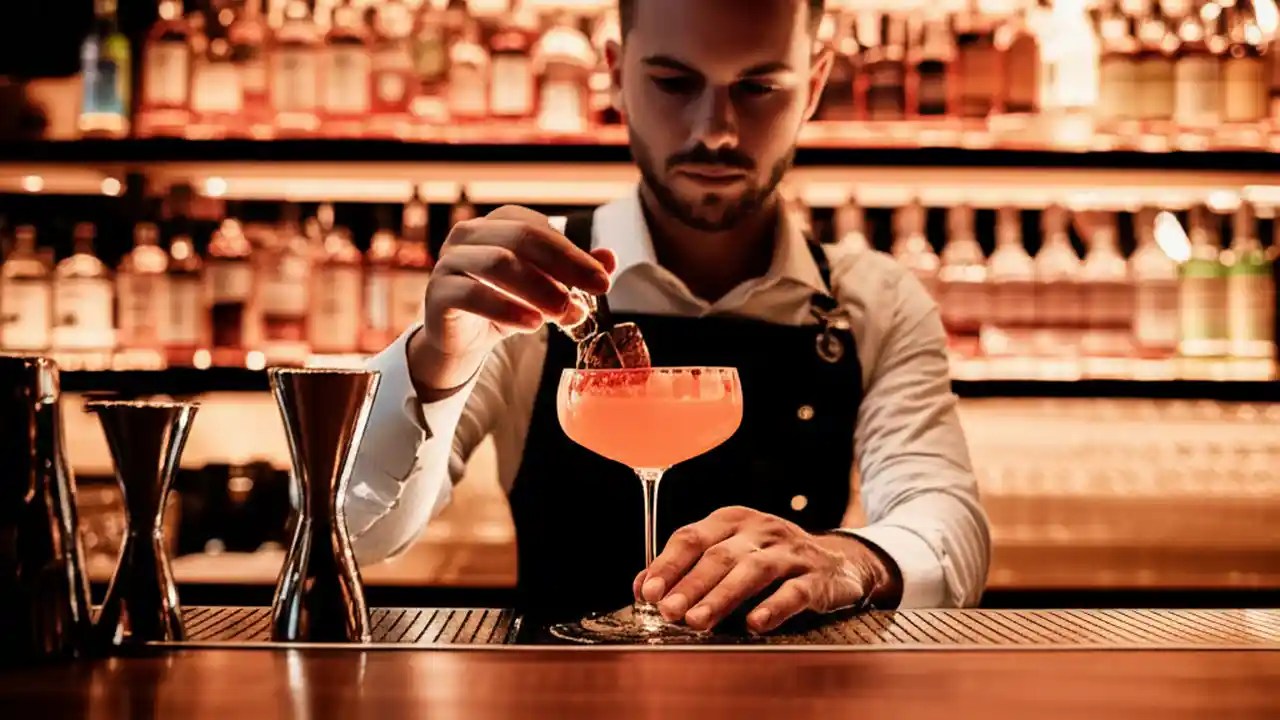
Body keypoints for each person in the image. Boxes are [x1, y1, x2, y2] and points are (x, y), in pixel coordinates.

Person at [346, 0, 990, 635]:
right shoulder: (524, 286)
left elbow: (945, 522)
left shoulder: (872, 300)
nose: (715, 130)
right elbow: (351, 532)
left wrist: (852, 561)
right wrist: (435, 358)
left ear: (816, 82)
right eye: (674, 82)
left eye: (759, 86)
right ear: (615, 74)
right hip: (552, 696)